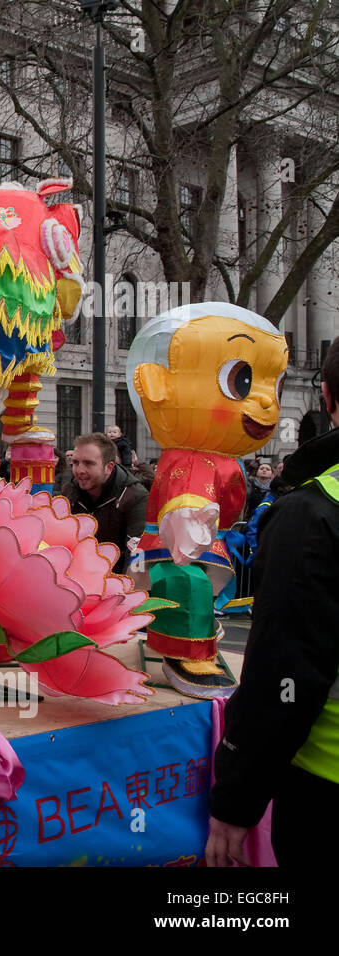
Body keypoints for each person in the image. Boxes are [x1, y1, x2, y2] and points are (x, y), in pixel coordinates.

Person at [207, 340, 339, 867]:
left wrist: (236, 797)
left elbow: (283, 675)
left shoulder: (315, 512)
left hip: (325, 785)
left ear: (327, 396)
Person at [60, 433, 148, 573]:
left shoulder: (134, 496)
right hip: (77, 579)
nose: (80, 470)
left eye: (89, 463)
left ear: (109, 467)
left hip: (118, 582)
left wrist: (125, 591)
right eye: (76, 463)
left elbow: (138, 556)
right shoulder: (69, 492)